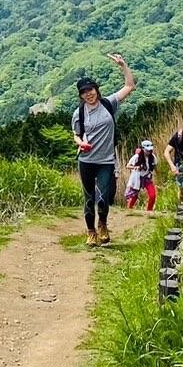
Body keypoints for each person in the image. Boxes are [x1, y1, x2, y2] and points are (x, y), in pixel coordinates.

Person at [70, 52, 137, 246]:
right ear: (81, 95)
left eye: (90, 90)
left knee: (103, 198)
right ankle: (91, 232)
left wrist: (123, 65)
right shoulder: (79, 113)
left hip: (106, 161)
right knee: (89, 198)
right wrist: (80, 143)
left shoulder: (108, 103)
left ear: (96, 90)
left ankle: (103, 225)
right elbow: (76, 134)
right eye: (84, 92)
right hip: (86, 161)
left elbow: (129, 86)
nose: (88, 94)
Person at [124, 140, 157, 210]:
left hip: (147, 177)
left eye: (150, 150)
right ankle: (129, 209)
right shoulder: (136, 157)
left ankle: (149, 210)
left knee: (152, 195)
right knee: (134, 196)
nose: (149, 152)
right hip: (137, 178)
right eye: (147, 150)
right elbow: (128, 166)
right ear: (143, 149)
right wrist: (136, 167)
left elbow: (155, 166)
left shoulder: (153, 157)